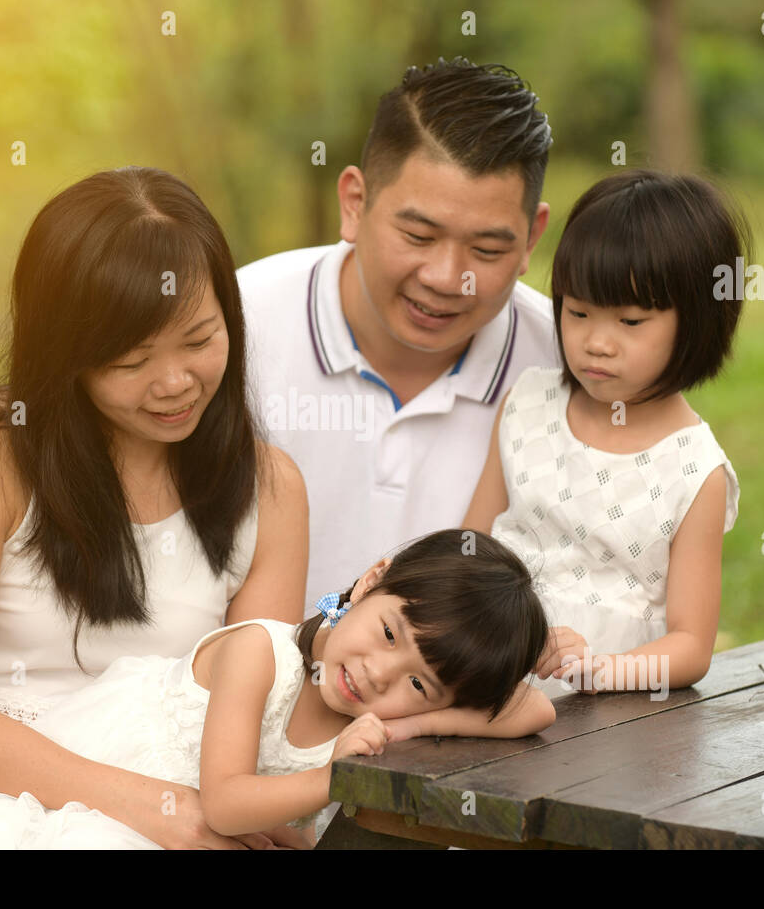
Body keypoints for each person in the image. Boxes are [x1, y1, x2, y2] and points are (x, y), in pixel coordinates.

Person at [0, 167, 310, 850]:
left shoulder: (270, 491)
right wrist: (158, 807)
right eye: (132, 360)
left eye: (201, 340)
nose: (175, 383)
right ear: (67, 356)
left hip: (158, 818)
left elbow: (259, 716)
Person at [0, 530, 554, 849]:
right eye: (387, 633)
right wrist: (337, 777)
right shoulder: (261, 654)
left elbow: (535, 707)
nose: (381, 673)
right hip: (97, 796)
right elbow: (226, 805)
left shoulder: (380, 724)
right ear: (371, 581)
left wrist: (413, 724)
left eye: (418, 682)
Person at [238, 57, 559, 609]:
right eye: (417, 235)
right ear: (354, 203)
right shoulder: (235, 327)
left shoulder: (571, 367)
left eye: (486, 250)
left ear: (531, 238)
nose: (445, 278)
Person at [459, 168, 747, 703]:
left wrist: (598, 670)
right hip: (490, 673)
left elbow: (690, 646)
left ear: (700, 321)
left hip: (609, 713)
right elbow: (470, 550)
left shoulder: (693, 470)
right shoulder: (527, 405)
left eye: (631, 321)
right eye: (579, 312)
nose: (596, 342)